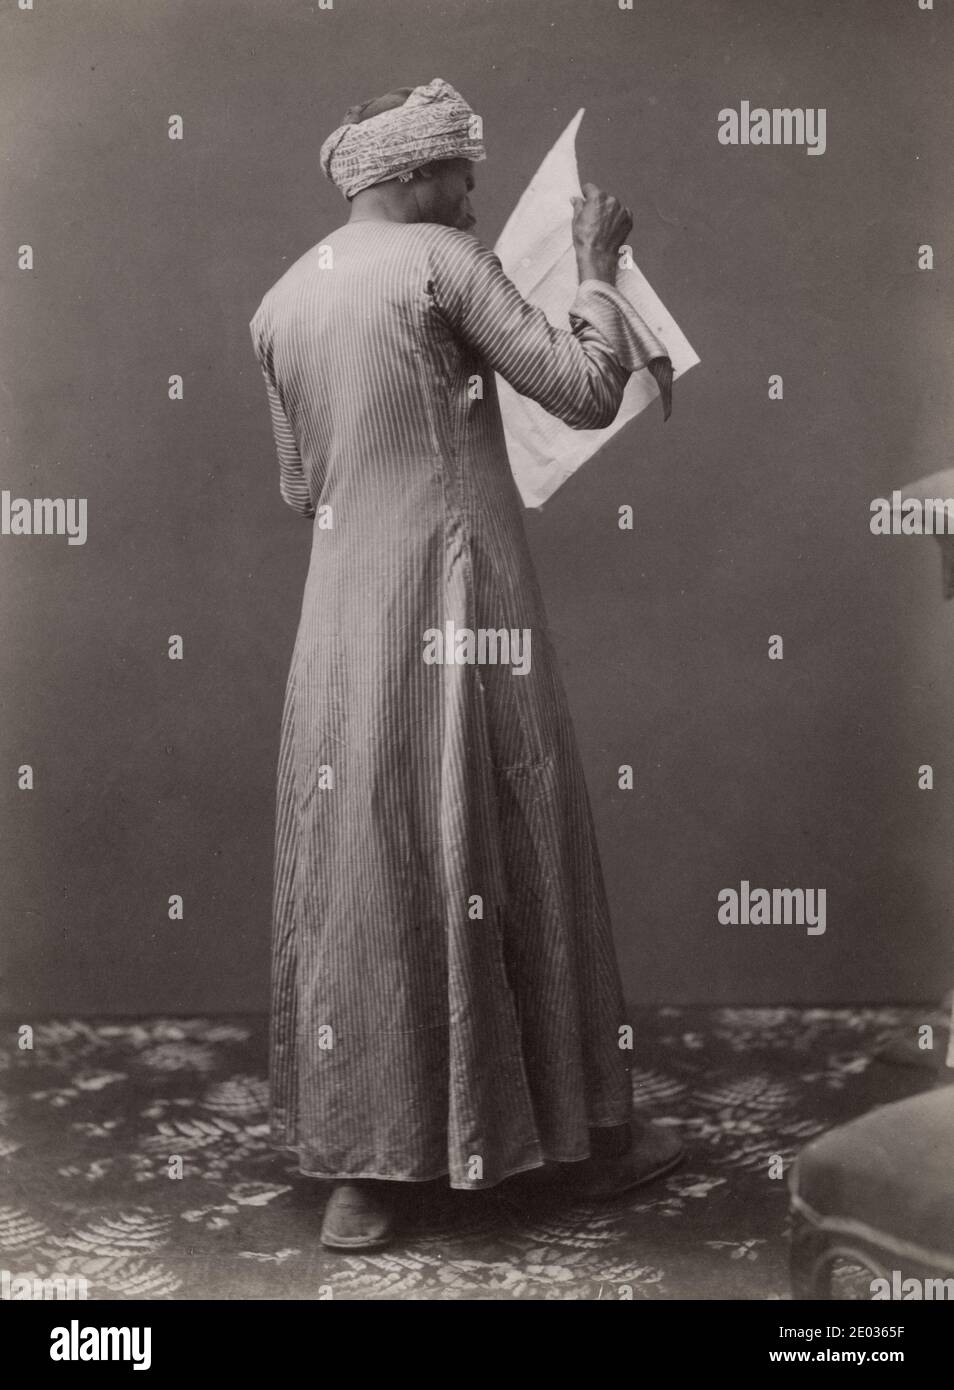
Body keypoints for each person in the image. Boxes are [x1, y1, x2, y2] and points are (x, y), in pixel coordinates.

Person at [249, 78, 683, 1251]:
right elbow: (587, 390)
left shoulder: (280, 302)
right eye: (456, 173)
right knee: (506, 824)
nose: (473, 194)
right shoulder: (445, 265)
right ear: (404, 178)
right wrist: (595, 266)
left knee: (365, 853)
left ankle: (364, 1173)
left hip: (342, 619)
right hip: (462, 595)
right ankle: (574, 1140)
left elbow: (301, 491)